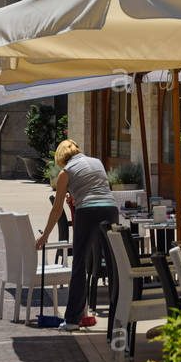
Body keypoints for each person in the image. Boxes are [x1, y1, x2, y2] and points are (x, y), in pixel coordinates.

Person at [36, 140, 117, 331]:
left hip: (88, 212)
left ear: (61, 159)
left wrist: (45, 235)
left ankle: (73, 319)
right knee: (114, 263)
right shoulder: (97, 162)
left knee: (79, 264)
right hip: (110, 208)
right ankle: (119, 311)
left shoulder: (66, 172)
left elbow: (56, 210)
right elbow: (98, 188)